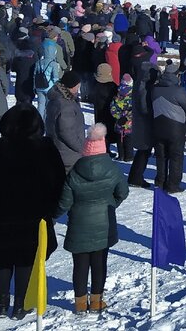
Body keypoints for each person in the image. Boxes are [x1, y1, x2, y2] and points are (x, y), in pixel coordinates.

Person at [0, 104, 66, 319]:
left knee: (0, 259)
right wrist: (49, 207)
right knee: (26, 259)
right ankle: (20, 304)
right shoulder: (45, 148)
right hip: (32, 217)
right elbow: (58, 182)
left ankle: (0, 304)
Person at [56, 124, 128, 313]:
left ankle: (80, 304)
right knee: (99, 263)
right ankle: (96, 301)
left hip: (79, 225)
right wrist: (111, 204)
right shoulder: (112, 169)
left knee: (79, 265)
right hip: (103, 223)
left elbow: (64, 202)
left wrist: (52, 216)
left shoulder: (74, 173)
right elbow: (123, 191)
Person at [149, 59, 186, 193]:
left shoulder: (155, 89)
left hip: (157, 126)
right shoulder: (179, 90)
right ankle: (173, 184)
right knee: (176, 156)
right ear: (175, 75)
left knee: (161, 156)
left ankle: (160, 182)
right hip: (175, 127)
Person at [45, 71, 87, 173]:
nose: (78, 88)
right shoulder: (65, 105)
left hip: (57, 149)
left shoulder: (56, 99)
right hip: (67, 154)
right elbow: (66, 132)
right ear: (71, 86)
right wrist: (81, 147)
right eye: (77, 86)